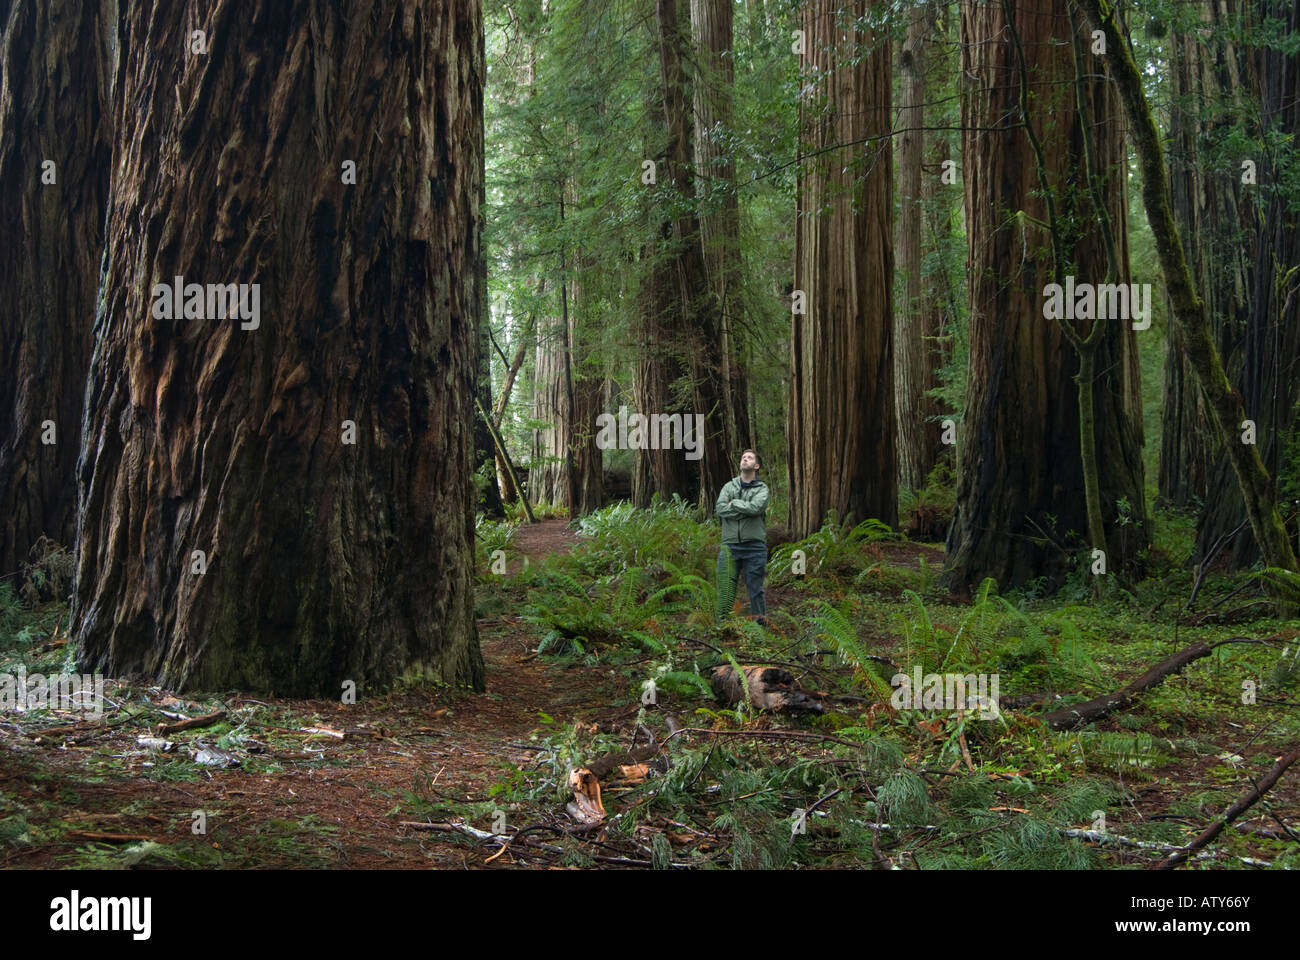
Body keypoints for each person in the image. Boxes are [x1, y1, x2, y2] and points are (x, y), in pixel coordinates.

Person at [715, 449, 769, 626]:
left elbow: (756, 508)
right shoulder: (729, 487)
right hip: (730, 545)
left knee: (755, 589)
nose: (745, 459)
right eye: (743, 457)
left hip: (754, 546)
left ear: (756, 465)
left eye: (750, 458)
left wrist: (735, 504)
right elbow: (721, 509)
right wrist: (745, 511)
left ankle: (760, 627)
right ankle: (723, 626)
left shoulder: (762, 489)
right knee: (726, 587)